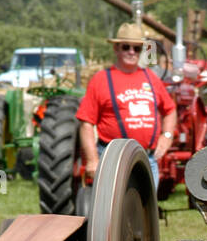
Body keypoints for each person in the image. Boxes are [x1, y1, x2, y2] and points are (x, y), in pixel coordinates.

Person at [76, 22, 177, 190]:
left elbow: (170, 110)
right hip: (112, 159)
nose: (131, 52)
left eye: (137, 48)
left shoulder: (150, 78)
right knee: (113, 213)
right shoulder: (101, 80)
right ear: (116, 48)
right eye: (126, 47)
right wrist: (93, 160)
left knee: (144, 213)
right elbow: (86, 122)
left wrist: (166, 136)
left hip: (146, 160)